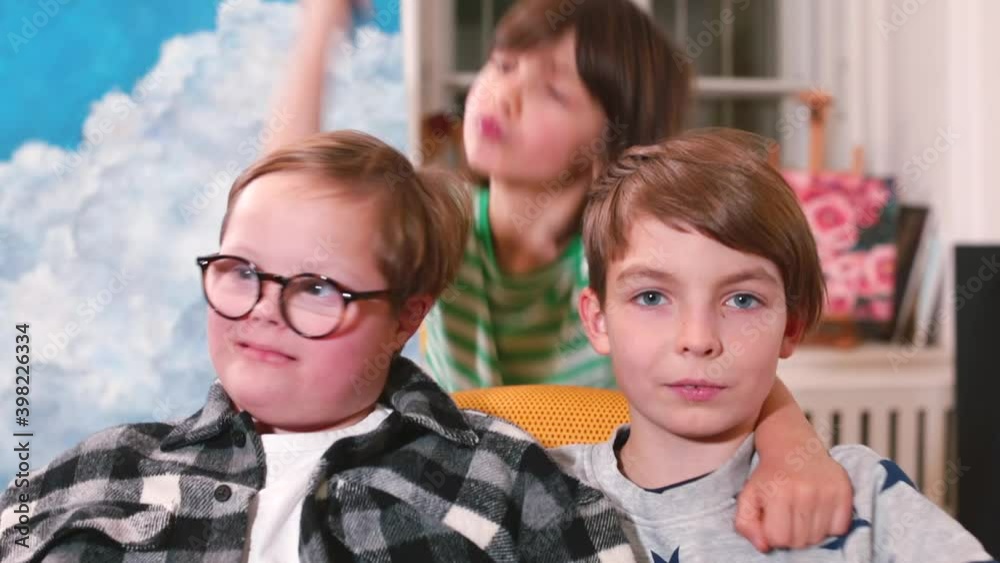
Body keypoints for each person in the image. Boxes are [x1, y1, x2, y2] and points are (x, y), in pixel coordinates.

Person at [267, 0, 856, 551]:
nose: (504, 93)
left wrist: (793, 452)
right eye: (501, 64)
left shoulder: (624, 259)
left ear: (606, 143)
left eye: (551, 89)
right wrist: (320, 29)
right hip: (465, 513)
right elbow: (293, 200)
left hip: (609, 521)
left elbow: (718, 354)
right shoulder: (440, 226)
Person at [0, 131, 636, 562]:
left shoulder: (509, 479)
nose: (264, 311)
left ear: (404, 319)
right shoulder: (97, 469)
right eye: (242, 272)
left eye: (318, 288)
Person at [551, 128, 996, 562]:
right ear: (598, 319)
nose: (698, 340)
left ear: (792, 327)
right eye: (651, 297)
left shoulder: (863, 496)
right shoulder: (532, 491)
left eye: (742, 300)